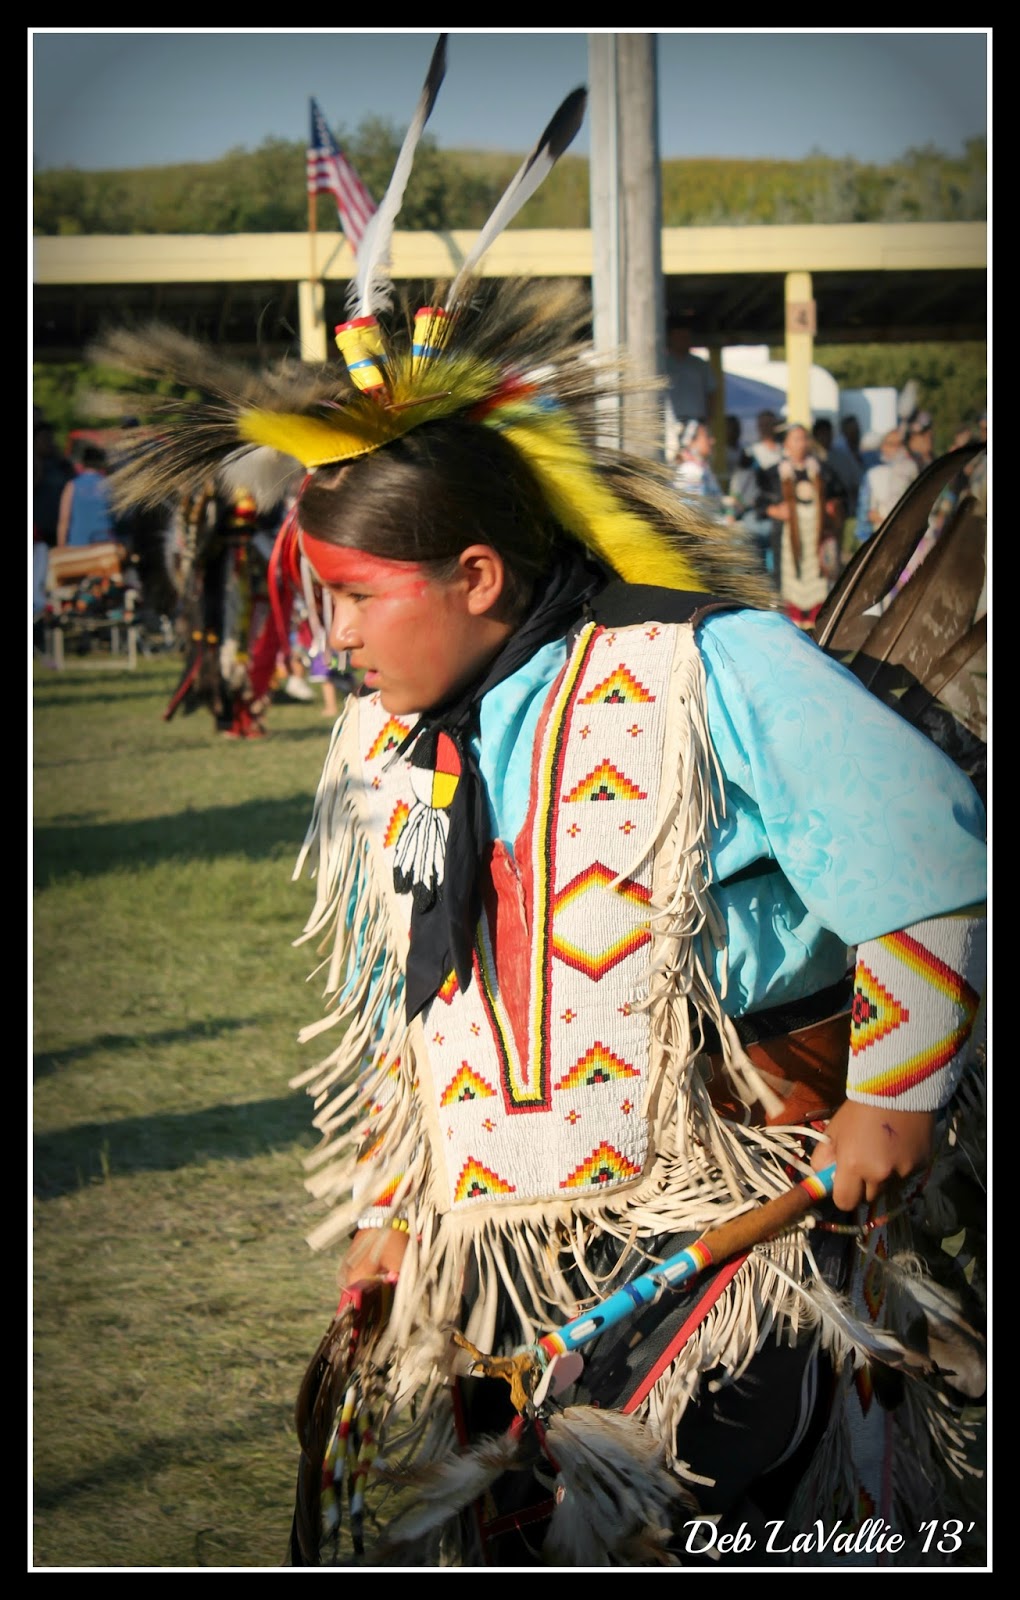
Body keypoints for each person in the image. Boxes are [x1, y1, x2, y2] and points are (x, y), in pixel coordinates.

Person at [94, 203, 985, 1580]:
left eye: (354, 598)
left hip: (733, 1225)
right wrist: (395, 1213)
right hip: (497, 1262)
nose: (327, 640)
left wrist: (891, 1099)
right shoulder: (393, 741)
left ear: (477, 574)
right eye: (316, 597)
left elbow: (926, 852)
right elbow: (424, 1007)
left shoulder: (706, 669)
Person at [755, 421, 846, 628]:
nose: (802, 443)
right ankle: (793, 628)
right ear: (785, 444)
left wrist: (833, 508)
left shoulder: (823, 472)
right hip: (788, 542)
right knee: (790, 587)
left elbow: (842, 498)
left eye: (805, 438)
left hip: (816, 540)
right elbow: (758, 503)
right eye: (796, 439)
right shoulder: (772, 474)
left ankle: (817, 627)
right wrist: (775, 510)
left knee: (819, 584)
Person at [663, 314, 717, 463]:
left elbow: (712, 393)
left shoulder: (700, 364)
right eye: (679, 336)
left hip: (696, 424)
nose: (683, 340)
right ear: (671, 338)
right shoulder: (662, 363)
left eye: (686, 337)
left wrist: (707, 423)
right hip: (670, 425)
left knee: (699, 465)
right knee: (672, 464)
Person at [854, 426, 920, 546]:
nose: (896, 448)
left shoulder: (912, 469)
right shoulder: (873, 475)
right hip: (881, 539)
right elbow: (865, 514)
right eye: (891, 444)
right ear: (883, 447)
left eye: (899, 444)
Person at [56, 442, 116, 548]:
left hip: (78, 545)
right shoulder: (109, 485)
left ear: (83, 463)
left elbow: (64, 520)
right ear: (101, 463)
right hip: (106, 545)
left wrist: (61, 548)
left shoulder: (72, 486)